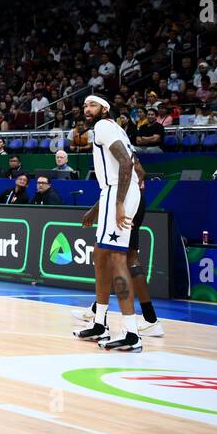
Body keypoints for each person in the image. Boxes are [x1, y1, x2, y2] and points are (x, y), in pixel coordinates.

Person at [71, 96, 142, 351]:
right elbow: (138, 171)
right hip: (112, 193)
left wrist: (120, 202)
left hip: (117, 193)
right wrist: (98, 207)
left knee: (116, 258)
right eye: (85, 106)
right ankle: (100, 323)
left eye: (91, 105)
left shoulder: (102, 127)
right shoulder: (118, 129)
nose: (87, 109)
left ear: (105, 109)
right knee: (100, 255)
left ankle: (131, 332)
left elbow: (125, 163)